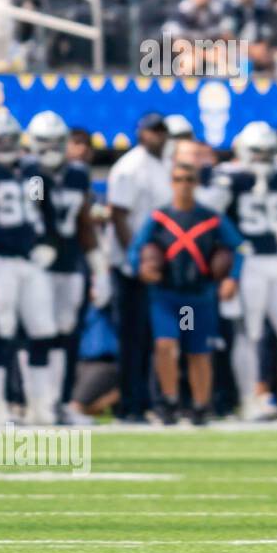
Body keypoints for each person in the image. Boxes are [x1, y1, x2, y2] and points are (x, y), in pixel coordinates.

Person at [203, 120, 277, 421]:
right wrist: (229, 256)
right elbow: (210, 217)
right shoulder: (228, 178)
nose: (263, 158)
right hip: (246, 262)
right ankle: (248, 399)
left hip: (275, 262)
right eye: (257, 152)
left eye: (268, 151)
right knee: (250, 333)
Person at [129, 162, 244, 425]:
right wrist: (142, 268)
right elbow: (137, 248)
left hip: (196, 296)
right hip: (167, 294)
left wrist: (232, 278)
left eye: (189, 179)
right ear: (171, 183)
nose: (183, 184)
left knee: (197, 351)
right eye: (178, 179)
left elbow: (238, 247)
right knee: (166, 345)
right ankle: (169, 400)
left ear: (196, 183)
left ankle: (201, 404)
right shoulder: (160, 218)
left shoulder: (210, 217)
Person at [23, 111, 98, 417]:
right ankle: (31, 402)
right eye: (45, 142)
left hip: (70, 262)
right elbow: (33, 213)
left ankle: (59, 401)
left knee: (67, 333)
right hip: (38, 264)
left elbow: (83, 220)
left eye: (57, 142)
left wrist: (98, 263)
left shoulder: (77, 174)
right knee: (37, 332)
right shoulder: (31, 174)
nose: (52, 149)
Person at [0, 110, 60, 426]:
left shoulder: (33, 174)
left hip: (30, 260)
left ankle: (40, 406)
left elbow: (41, 209)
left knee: (43, 330)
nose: (4, 144)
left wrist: (46, 241)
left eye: (8, 138)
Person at [106, 111, 172, 421]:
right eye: (151, 131)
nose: (157, 136)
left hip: (158, 265)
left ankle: (148, 401)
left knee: (152, 337)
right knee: (132, 339)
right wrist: (136, 259)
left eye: (161, 131)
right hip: (131, 268)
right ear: (140, 134)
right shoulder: (129, 167)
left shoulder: (165, 164)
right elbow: (118, 214)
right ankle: (130, 404)